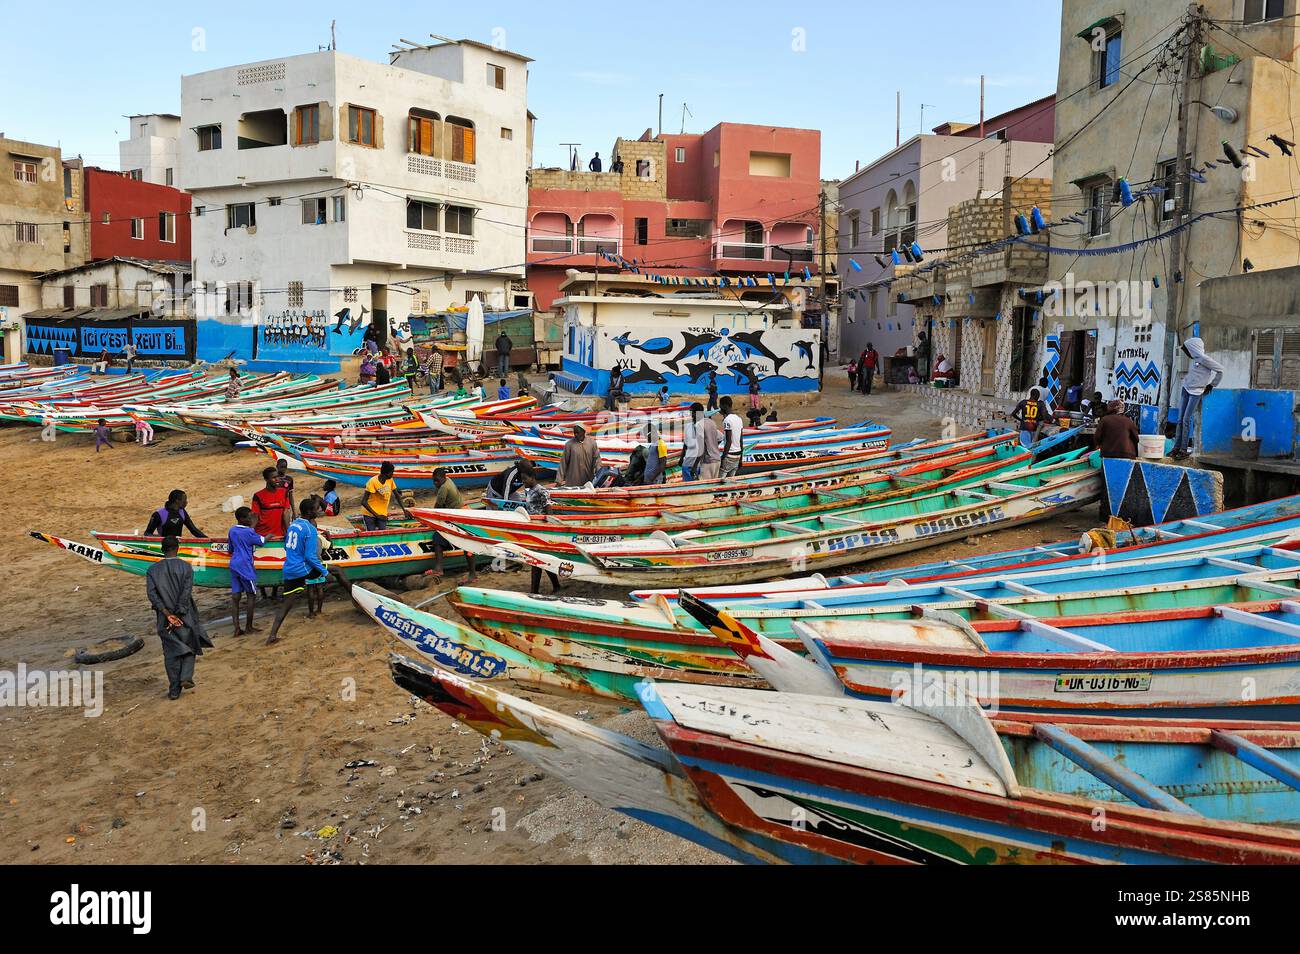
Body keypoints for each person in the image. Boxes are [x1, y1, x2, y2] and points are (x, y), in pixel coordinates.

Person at [145, 536, 212, 699]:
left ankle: (174, 690)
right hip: (185, 614)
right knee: (190, 644)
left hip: (164, 617)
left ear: (162, 550)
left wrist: (167, 615)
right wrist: (178, 614)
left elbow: (152, 595)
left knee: (170, 652)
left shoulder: (152, 570)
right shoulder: (186, 567)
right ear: (178, 548)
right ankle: (186, 677)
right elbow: (186, 592)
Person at [266, 499, 329, 645]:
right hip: (303, 569)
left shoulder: (293, 525)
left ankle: (272, 635)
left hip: (289, 569)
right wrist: (324, 572)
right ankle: (354, 595)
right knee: (337, 571)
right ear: (309, 512)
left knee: (286, 604)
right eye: (315, 509)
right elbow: (310, 556)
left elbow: (287, 547)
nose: (318, 511)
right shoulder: (310, 529)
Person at [1172, 336, 1224, 460]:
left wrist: (1212, 384)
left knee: (1185, 419)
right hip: (1186, 388)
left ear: (1193, 349)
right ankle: (1176, 447)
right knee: (1179, 419)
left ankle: (1183, 449)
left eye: (1188, 350)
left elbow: (1221, 370)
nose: (1187, 353)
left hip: (1196, 392)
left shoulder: (1205, 359)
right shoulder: (1195, 359)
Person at [429, 467, 478, 583]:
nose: (435, 483)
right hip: (459, 513)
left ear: (443, 478)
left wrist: (428, 521)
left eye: (437, 480)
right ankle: (440, 568)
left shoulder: (443, 489)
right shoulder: (448, 481)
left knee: (466, 545)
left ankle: (472, 574)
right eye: (434, 481)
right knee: (439, 538)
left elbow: (437, 508)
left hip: (461, 517)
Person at [519, 469, 562, 594]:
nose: (523, 482)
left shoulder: (541, 490)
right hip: (534, 529)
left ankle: (534, 592)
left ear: (532, 477)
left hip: (542, 530)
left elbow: (549, 508)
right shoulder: (529, 491)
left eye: (525, 479)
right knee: (543, 559)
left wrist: (549, 528)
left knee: (536, 560)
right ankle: (556, 585)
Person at [1095, 399, 1140, 520]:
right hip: (1127, 456)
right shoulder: (1128, 421)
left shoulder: (1104, 420)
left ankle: (1105, 516)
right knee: (1125, 485)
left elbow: (1097, 437)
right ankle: (1123, 515)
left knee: (1107, 487)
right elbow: (1136, 438)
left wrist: (1100, 444)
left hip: (1108, 456)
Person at [227, 506, 264, 636]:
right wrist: (267, 534)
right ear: (242, 519)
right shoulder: (249, 532)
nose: (251, 518)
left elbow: (230, 549)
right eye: (249, 517)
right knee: (251, 595)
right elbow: (261, 541)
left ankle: (236, 628)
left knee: (235, 597)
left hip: (234, 564)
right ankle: (249, 626)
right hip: (245, 566)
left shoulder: (232, 531)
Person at [362, 461, 406, 531]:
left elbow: (397, 495)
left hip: (382, 514)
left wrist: (404, 510)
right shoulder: (372, 481)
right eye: (392, 472)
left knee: (382, 534)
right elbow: (363, 502)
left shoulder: (390, 480)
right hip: (369, 514)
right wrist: (377, 516)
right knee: (371, 534)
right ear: (387, 473)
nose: (393, 474)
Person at [719, 396, 745, 479]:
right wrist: (741, 458)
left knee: (719, 481)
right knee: (731, 481)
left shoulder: (727, 420)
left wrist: (722, 458)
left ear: (724, 405)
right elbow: (741, 440)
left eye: (720, 405)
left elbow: (729, 441)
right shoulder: (739, 419)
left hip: (729, 456)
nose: (719, 408)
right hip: (737, 455)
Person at [697, 409, 723, 480]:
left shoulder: (699, 425)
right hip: (717, 459)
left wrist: (695, 465)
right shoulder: (711, 423)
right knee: (714, 483)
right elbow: (720, 437)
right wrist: (713, 446)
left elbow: (701, 448)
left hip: (707, 461)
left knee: (704, 486)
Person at [681, 403, 704, 481]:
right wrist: (681, 458)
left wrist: (695, 465)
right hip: (687, 463)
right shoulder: (688, 426)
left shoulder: (703, 426)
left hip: (697, 465)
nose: (691, 414)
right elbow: (685, 444)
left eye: (692, 412)